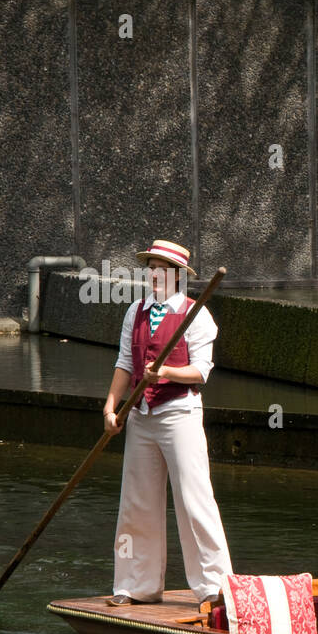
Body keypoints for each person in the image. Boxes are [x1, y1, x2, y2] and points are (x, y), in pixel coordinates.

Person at [102, 239, 232, 607]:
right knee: (136, 502)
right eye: (151, 267)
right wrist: (111, 408)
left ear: (178, 276)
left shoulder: (197, 314)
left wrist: (167, 372)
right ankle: (134, 585)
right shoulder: (136, 312)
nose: (154, 274)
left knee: (194, 500)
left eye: (162, 268)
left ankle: (214, 588)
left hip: (180, 415)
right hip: (140, 416)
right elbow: (125, 363)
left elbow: (201, 372)